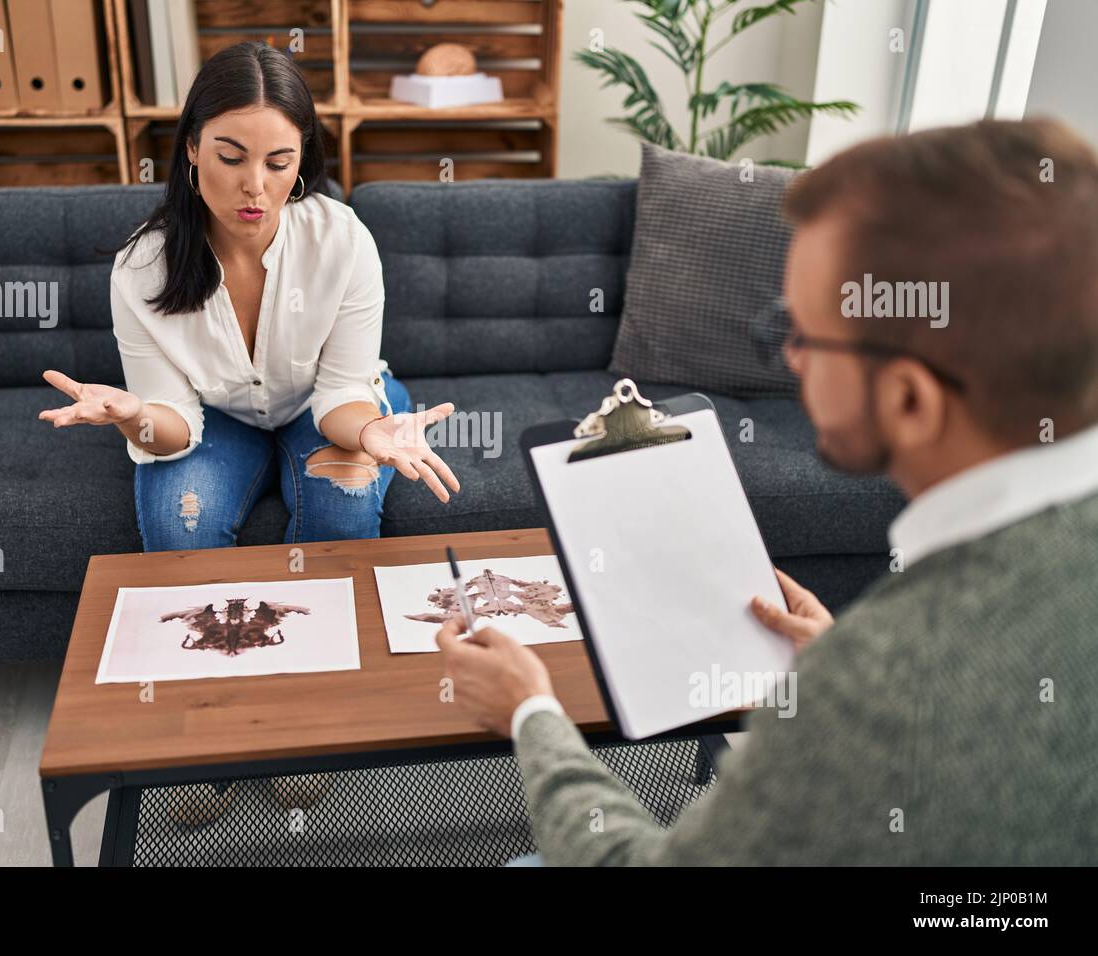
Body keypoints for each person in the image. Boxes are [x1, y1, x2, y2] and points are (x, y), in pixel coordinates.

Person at [437, 117, 1098, 865]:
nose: (790, 358)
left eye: (806, 336)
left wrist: (531, 711)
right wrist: (840, 659)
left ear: (911, 398)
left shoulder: (877, 684)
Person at [37, 42, 459, 552]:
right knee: (179, 529)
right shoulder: (142, 267)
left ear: (301, 157)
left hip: (331, 405)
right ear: (192, 146)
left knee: (343, 511)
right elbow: (172, 423)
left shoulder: (342, 241)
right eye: (231, 158)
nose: (254, 186)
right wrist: (134, 416)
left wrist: (370, 431)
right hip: (217, 416)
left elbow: (342, 391)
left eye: (278, 163)